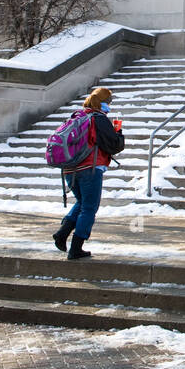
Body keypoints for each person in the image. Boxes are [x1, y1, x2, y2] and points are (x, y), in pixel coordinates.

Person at [52, 87, 124, 260]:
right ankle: (76, 247)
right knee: (90, 208)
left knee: (82, 202)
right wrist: (118, 133)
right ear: (103, 102)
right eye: (109, 102)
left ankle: (62, 234)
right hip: (90, 169)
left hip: (70, 169)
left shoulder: (78, 116)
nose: (110, 105)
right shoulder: (99, 119)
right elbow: (114, 145)